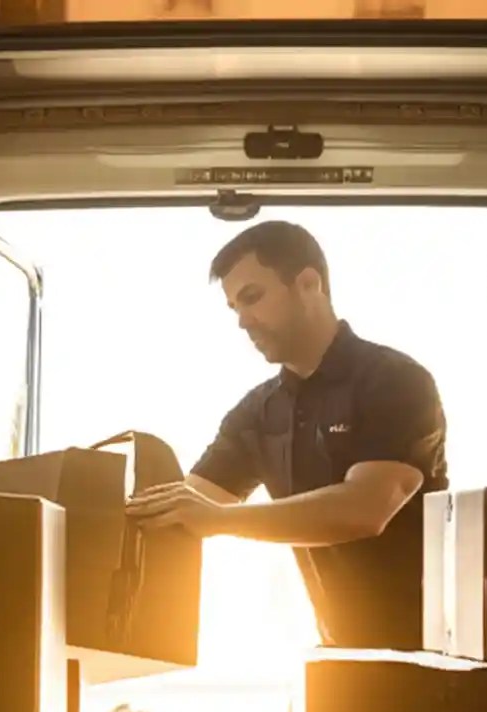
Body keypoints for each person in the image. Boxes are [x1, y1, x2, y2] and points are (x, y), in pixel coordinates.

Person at [126, 220, 449, 650]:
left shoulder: (395, 380)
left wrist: (218, 521)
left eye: (252, 297)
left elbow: (366, 509)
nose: (243, 321)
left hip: (434, 656)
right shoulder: (257, 412)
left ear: (309, 284)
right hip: (336, 653)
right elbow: (184, 506)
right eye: (234, 308)